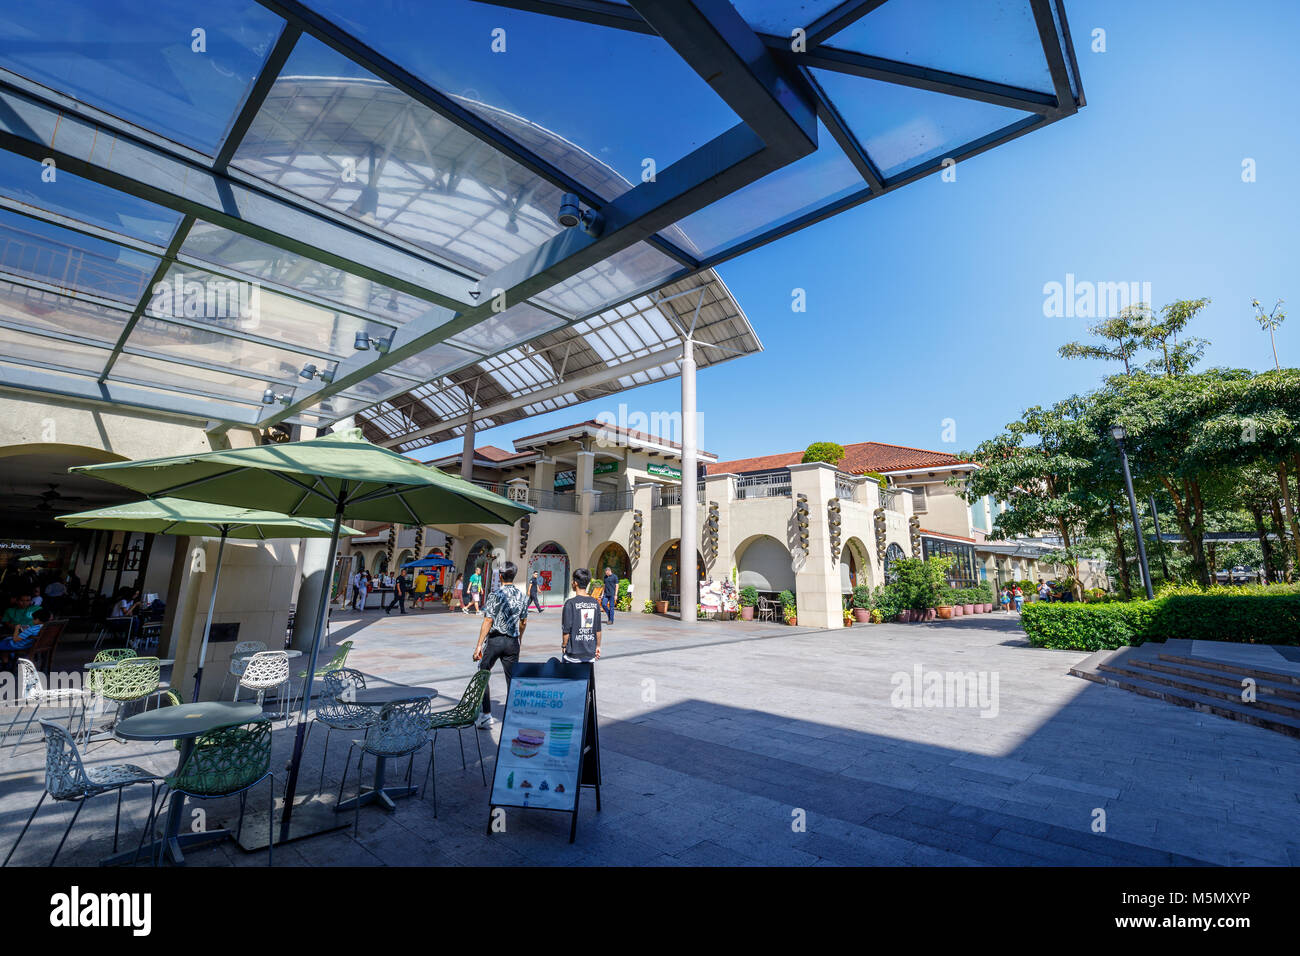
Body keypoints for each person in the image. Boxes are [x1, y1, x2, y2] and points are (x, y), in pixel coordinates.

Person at [473, 561, 528, 728]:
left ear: (501, 576)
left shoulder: (495, 595)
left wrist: (478, 645)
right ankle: (514, 716)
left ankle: (486, 714)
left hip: (495, 640)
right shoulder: (522, 596)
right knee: (512, 678)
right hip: (512, 641)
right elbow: (523, 621)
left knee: (483, 672)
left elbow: (488, 620)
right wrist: (520, 638)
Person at [561, 568, 602, 664]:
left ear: (575, 583)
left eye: (572, 581)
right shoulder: (595, 603)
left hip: (573, 654)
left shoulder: (570, 603)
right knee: (587, 678)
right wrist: (598, 646)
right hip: (590, 653)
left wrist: (564, 645)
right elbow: (598, 629)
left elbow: (566, 629)